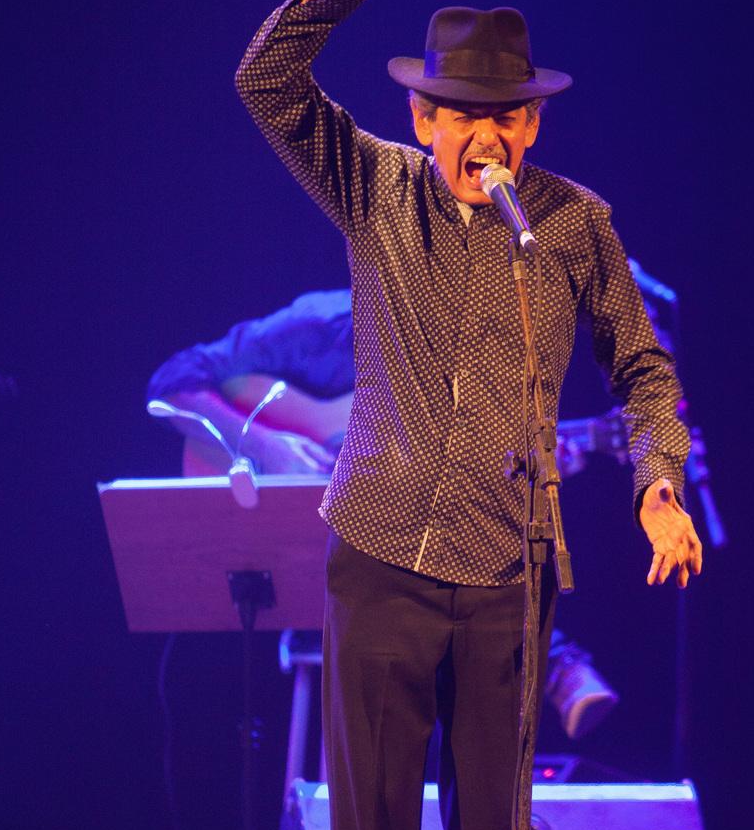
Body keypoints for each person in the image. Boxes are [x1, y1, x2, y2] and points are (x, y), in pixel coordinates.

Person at [233, 0, 701, 830]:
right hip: (383, 552)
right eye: (457, 114)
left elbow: (642, 364)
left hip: (508, 566)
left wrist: (657, 484)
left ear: (528, 128)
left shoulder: (573, 226)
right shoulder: (375, 186)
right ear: (420, 113)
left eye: (501, 117)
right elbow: (267, 87)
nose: (480, 134)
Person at [147, 286, 630, 740]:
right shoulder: (322, 325)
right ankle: (556, 662)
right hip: (288, 541)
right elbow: (171, 384)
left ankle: (543, 661)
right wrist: (268, 447)